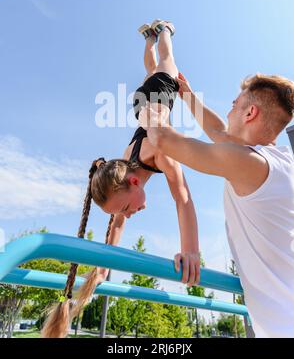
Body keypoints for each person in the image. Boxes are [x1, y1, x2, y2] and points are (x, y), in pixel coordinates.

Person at [41, 20, 200, 338]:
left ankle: (164, 32)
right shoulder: (122, 171)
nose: (130, 213)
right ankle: (148, 39)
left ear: (135, 183)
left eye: (126, 207)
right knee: (150, 69)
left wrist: (191, 251)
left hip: (159, 96)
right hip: (140, 107)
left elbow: (183, 197)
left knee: (168, 63)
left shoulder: (160, 151)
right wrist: (101, 267)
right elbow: (116, 223)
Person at [139, 72, 294, 338]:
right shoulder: (279, 160)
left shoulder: (251, 163)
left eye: (234, 105)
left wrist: (149, 101)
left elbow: (163, 139)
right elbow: (217, 131)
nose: (229, 111)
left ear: (250, 113)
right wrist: (187, 94)